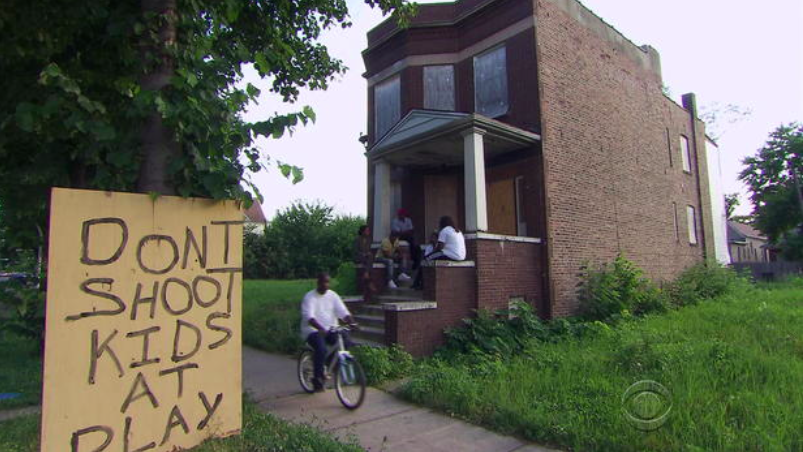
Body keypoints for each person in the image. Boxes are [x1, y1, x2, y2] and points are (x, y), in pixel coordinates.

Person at [300, 273, 357, 392]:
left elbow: (343, 312)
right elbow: (309, 318)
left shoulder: (333, 296)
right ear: (318, 283)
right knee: (321, 349)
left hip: (331, 329)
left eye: (327, 282)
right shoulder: (310, 297)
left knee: (346, 340)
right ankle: (317, 379)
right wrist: (321, 329)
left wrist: (352, 322)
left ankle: (328, 364)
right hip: (313, 330)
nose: (325, 285)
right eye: (323, 282)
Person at [413, 216, 466, 289]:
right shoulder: (458, 231)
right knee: (429, 259)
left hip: (450, 254)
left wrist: (432, 253)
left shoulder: (444, 230)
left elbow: (440, 248)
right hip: (461, 256)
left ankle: (418, 284)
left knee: (424, 260)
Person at [354, 225, 375, 299]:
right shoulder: (357, 239)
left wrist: (368, 253)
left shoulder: (369, 240)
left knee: (370, 257)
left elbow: (368, 249)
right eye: (367, 231)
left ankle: (366, 274)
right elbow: (355, 251)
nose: (368, 232)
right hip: (359, 257)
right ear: (362, 231)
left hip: (366, 258)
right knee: (369, 260)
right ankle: (369, 279)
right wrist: (364, 254)